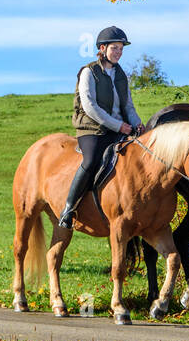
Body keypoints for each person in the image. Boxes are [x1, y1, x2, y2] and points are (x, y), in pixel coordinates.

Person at [57, 26, 143, 229]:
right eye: (115, 48)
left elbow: (128, 106)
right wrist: (118, 126)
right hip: (92, 129)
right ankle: (69, 209)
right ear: (102, 49)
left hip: (118, 128)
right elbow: (90, 107)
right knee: (92, 159)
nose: (119, 53)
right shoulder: (89, 72)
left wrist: (137, 123)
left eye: (121, 49)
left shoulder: (121, 75)